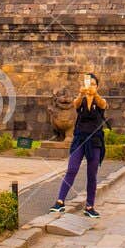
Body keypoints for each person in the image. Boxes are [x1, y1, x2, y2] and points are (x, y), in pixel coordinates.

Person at [51, 74, 108, 218]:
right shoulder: (80, 100)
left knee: (91, 174)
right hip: (80, 139)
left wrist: (94, 94)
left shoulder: (100, 101)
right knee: (72, 169)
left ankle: (89, 206)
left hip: (94, 140)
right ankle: (60, 201)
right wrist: (82, 93)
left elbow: (103, 104)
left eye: (94, 84)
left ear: (97, 86)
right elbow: (75, 105)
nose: (91, 86)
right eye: (89, 83)